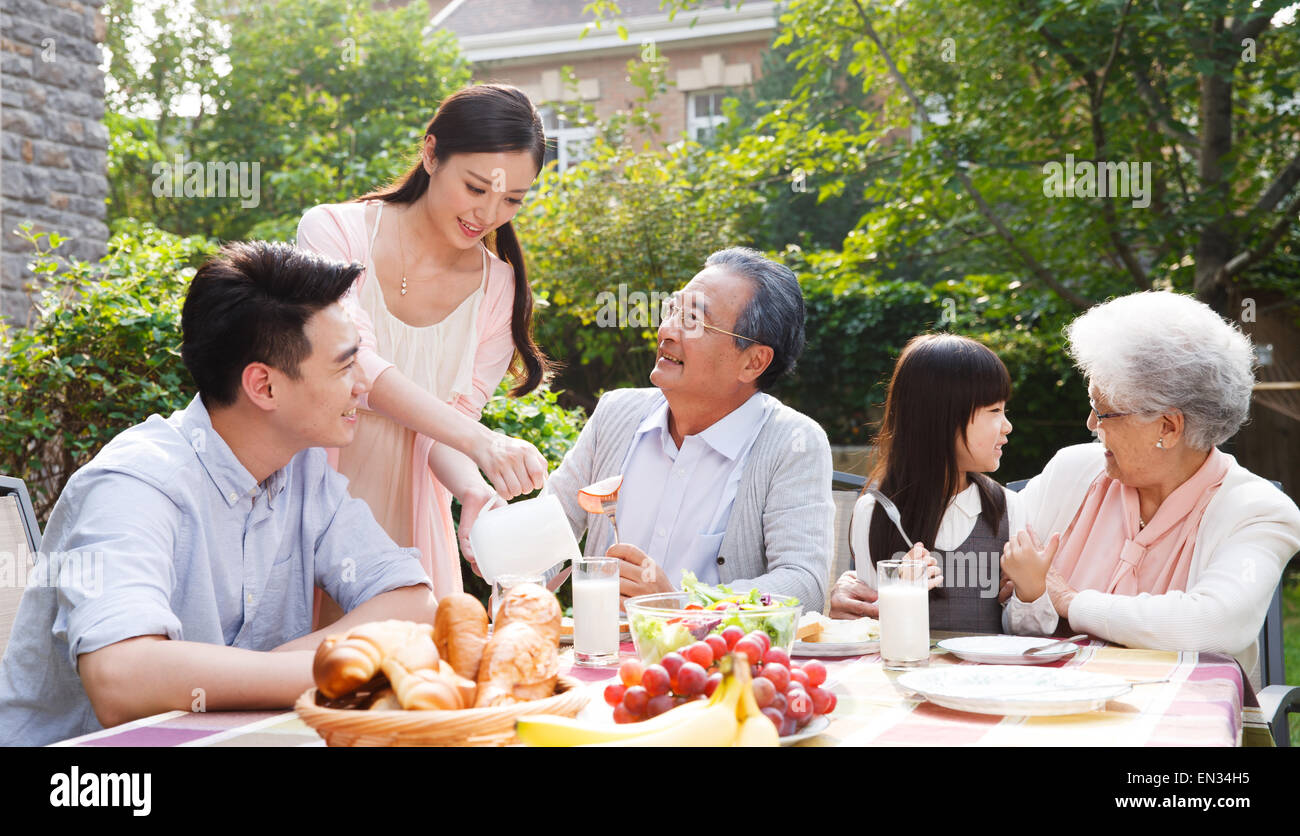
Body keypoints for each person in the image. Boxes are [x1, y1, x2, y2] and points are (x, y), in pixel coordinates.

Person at [0, 242, 438, 746]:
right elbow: (121, 677)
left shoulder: (301, 471)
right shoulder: (134, 484)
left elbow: (410, 602)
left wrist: (253, 673)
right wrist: (333, 671)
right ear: (264, 387)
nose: (363, 385)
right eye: (344, 366)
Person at [297, 84, 551, 602]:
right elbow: (353, 365)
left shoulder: (497, 288)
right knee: (296, 672)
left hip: (409, 527)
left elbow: (443, 429)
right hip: (304, 501)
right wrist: (481, 443)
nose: (488, 213)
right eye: (476, 188)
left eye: (512, 200)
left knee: (409, 676)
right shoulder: (333, 233)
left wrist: (473, 489)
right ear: (432, 154)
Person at [1002, 290, 1300, 685]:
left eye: (1104, 410)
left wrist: (1071, 602)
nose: (1092, 424)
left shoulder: (1259, 510)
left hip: (1180, 721)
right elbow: (1004, 578)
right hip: (1053, 705)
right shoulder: (1072, 471)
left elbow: (1212, 623)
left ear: (1168, 427)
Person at [545, 248, 834, 612]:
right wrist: (501, 562)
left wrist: (681, 604)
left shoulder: (792, 443)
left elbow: (803, 583)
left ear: (753, 361)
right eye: (672, 310)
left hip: (713, 665)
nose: (666, 330)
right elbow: (546, 531)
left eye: (694, 320)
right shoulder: (616, 414)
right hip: (601, 657)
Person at [828, 334, 1020, 632]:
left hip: (988, 676)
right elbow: (868, 629)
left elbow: (1023, 629)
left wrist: (1033, 591)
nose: (1007, 426)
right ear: (941, 418)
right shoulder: (875, 513)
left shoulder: (1008, 508)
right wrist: (901, 593)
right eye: (995, 411)